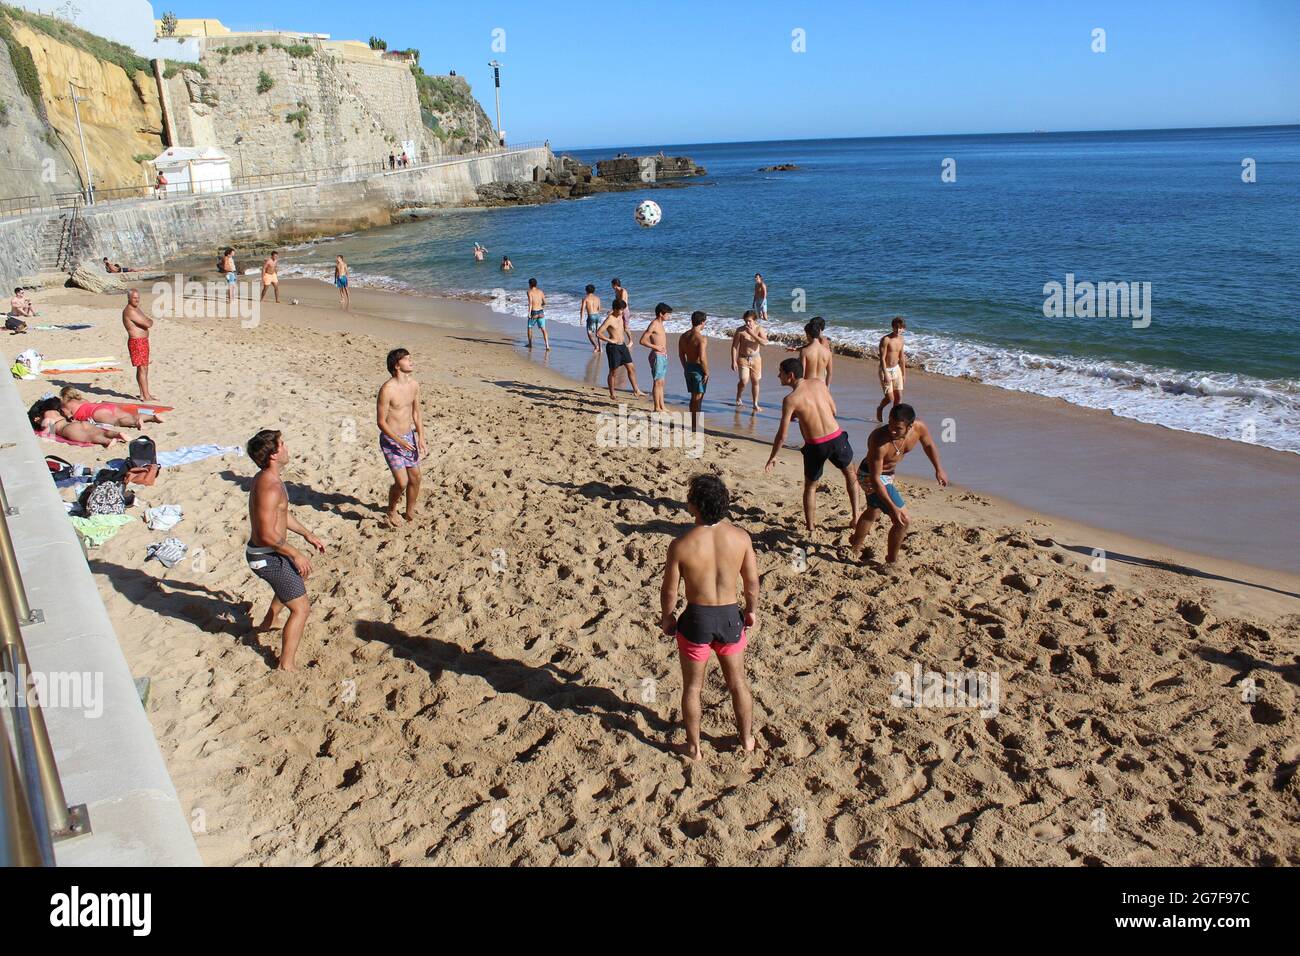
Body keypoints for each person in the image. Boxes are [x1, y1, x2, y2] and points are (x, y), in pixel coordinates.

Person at [660, 474, 758, 759]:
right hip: (729, 617)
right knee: (738, 683)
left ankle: (694, 747)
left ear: (695, 506)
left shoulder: (681, 544)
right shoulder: (740, 538)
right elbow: (751, 582)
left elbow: (669, 590)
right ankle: (747, 740)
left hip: (696, 619)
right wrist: (751, 610)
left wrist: (668, 617)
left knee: (693, 687)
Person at [245, 430, 326, 672]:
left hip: (271, 553)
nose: (287, 448)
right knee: (301, 609)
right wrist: (295, 553)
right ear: (273, 454)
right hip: (265, 557)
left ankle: (269, 621)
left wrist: (306, 534)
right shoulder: (269, 487)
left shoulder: (271, 479)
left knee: (298, 574)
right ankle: (286, 665)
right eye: (282, 445)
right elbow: (266, 534)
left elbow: (282, 514)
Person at [765, 357, 859, 533]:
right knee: (851, 476)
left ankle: (811, 528)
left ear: (790, 375)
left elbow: (782, 434)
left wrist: (773, 456)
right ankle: (856, 517)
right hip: (837, 438)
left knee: (811, 487)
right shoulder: (818, 383)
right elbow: (834, 410)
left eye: (781, 373)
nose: (778, 375)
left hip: (816, 446)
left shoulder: (790, 399)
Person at [850, 404, 948, 564]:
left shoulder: (919, 428)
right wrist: (893, 508)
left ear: (910, 426)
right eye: (890, 424)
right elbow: (875, 479)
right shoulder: (878, 440)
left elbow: (929, 444)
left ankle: (855, 547)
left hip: (888, 475)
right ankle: (892, 560)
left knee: (873, 510)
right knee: (903, 520)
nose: (892, 430)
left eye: (898, 428)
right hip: (870, 476)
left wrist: (939, 469)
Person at [377, 348, 427, 528]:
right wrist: (399, 441)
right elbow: (381, 422)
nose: (411, 361)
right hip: (392, 441)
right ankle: (391, 509)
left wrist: (421, 436)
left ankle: (409, 510)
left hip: (409, 438)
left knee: (416, 478)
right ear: (397, 366)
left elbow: (416, 413)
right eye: (406, 359)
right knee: (402, 481)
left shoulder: (414, 385)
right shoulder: (387, 389)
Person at [597, 299, 643, 399]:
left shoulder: (621, 316)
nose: (622, 311)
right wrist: (609, 340)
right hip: (613, 347)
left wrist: (630, 338)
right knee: (613, 371)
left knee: (631, 368)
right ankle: (612, 394)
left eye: (623, 309)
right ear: (615, 309)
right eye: (621, 309)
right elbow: (598, 333)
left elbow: (624, 328)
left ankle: (636, 390)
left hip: (622, 346)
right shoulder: (609, 319)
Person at [29, 398, 125, 446]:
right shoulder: (54, 412)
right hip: (76, 424)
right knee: (99, 431)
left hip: (67, 429)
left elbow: (50, 430)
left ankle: (107, 441)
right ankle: (116, 434)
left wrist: (42, 426)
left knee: (90, 436)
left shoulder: (46, 416)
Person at [59, 387, 161, 428]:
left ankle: (136, 422)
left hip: (96, 412)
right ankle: (151, 417)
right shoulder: (82, 399)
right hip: (102, 406)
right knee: (126, 415)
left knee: (117, 421)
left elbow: (69, 417)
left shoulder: (65, 405)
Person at [730, 309, 769, 411]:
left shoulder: (759, 329)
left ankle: (755, 403)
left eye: (749, 321)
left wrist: (752, 334)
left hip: (756, 358)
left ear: (754, 320)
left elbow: (765, 343)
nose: (747, 323)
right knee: (744, 380)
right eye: (746, 321)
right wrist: (733, 361)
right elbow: (734, 347)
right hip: (743, 358)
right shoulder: (740, 330)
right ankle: (738, 396)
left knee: (755, 381)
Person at [122, 288, 155, 402]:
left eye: (138, 298)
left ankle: (143, 393)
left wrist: (147, 321)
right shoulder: (130, 311)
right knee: (142, 368)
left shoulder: (136, 309)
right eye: (134, 298)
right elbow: (148, 323)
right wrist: (148, 321)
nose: (137, 300)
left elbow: (147, 321)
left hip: (142, 341)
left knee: (143, 368)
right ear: (129, 298)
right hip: (137, 342)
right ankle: (146, 395)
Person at [679, 311, 710, 432]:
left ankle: (692, 423)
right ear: (702, 322)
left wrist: (685, 367)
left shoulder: (683, 336)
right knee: (698, 398)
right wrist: (706, 372)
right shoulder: (701, 339)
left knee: (693, 397)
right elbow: (702, 358)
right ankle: (696, 425)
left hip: (688, 367)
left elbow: (681, 354)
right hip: (698, 368)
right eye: (705, 322)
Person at [639, 303, 672, 412]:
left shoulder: (661, 323)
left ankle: (662, 406)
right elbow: (642, 341)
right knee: (657, 381)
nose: (669, 316)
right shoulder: (653, 324)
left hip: (663, 356)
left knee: (662, 382)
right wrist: (655, 347)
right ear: (660, 314)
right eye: (667, 314)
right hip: (657, 355)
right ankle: (656, 407)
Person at [876, 317, 907, 422]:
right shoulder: (886, 340)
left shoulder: (901, 339)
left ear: (904, 329)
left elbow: (902, 357)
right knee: (890, 398)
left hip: (896, 369)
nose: (898, 330)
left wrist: (903, 373)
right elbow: (882, 358)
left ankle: (893, 418)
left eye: (901, 328)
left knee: (899, 397)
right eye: (896, 328)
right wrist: (885, 374)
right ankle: (880, 408)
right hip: (886, 369)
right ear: (893, 327)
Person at [790, 316, 833, 388]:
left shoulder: (822, 340)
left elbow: (802, 371)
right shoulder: (828, 352)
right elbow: (830, 373)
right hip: (821, 383)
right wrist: (827, 388)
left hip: (809, 382)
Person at [526, 277, 550, 350]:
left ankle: (530, 344)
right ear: (536, 284)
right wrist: (541, 306)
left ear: (530, 284)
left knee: (529, 327)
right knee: (543, 329)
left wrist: (529, 313)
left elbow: (530, 303)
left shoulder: (529, 292)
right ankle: (547, 346)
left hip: (534, 312)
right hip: (541, 312)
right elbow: (545, 302)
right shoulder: (541, 291)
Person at [580, 283, 603, 353]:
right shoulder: (598, 298)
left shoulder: (585, 299)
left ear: (586, 291)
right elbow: (599, 308)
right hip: (598, 315)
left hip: (591, 316)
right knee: (598, 333)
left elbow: (582, 309)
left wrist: (581, 319)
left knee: (589, 333)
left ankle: (596, 346)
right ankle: (601, 348)